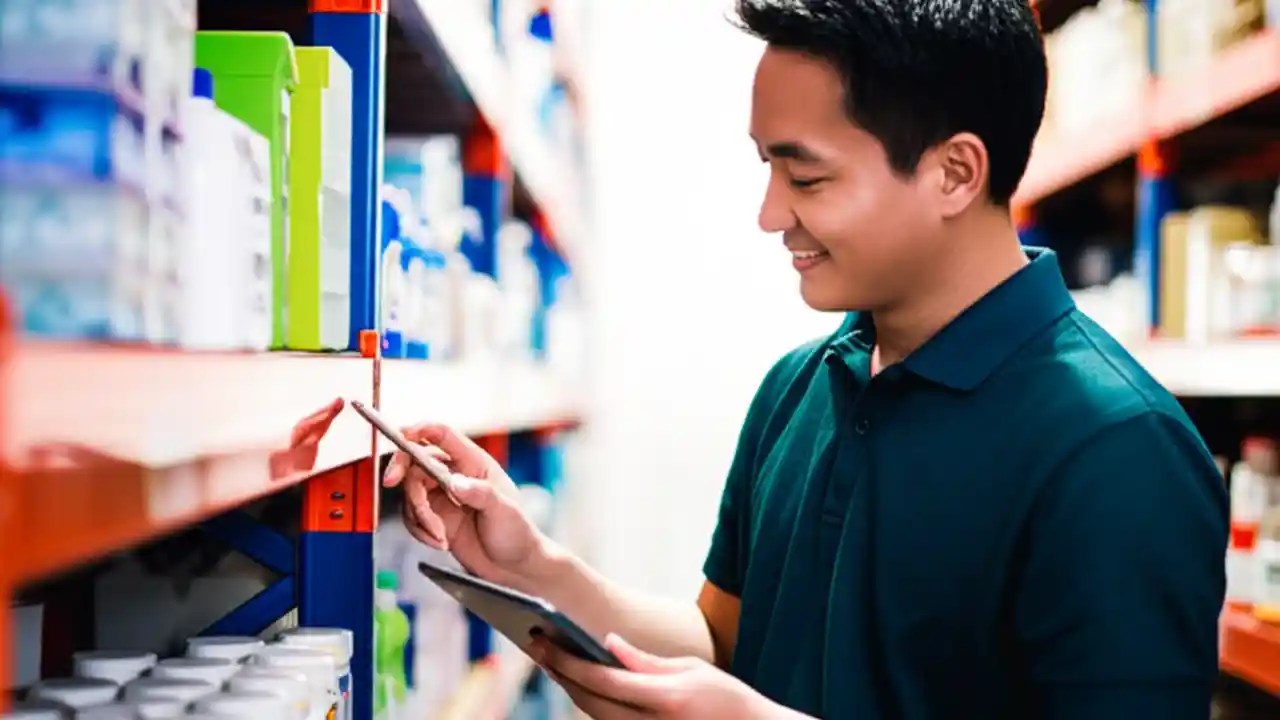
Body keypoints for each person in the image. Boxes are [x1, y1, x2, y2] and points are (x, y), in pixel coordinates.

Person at [383, 1, 1229, 717]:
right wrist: (535, 566)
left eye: (807, 178)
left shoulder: (1118, 451)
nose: (769, 214)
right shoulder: (799, 387)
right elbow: (724, 638)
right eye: (767, 167)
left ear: (954, 173)